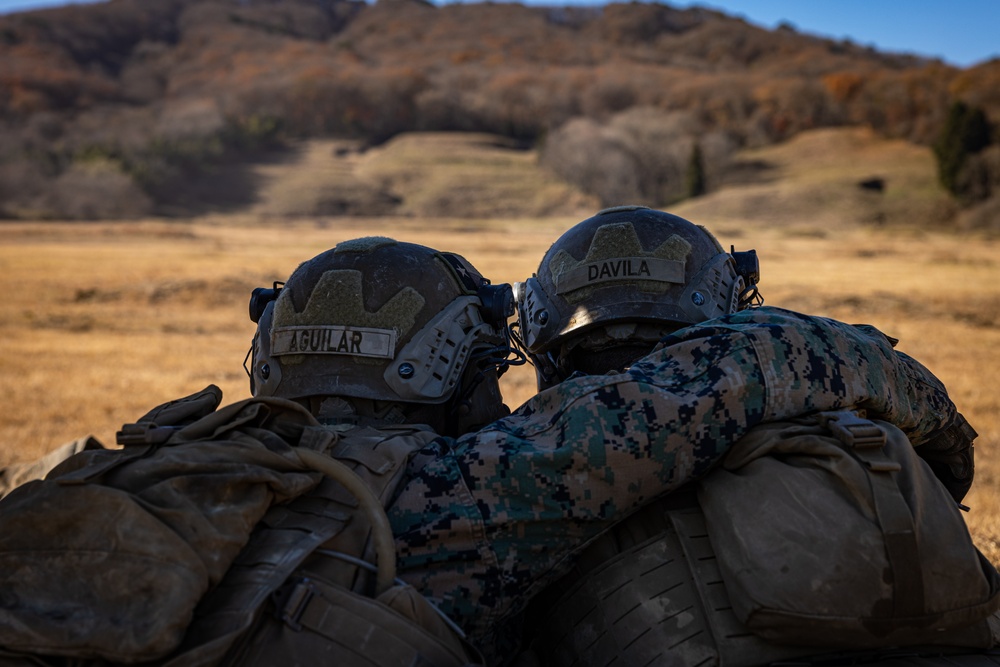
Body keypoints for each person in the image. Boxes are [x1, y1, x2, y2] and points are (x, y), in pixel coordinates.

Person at [0, 226, 984, 667]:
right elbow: (751, 365)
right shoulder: (459, 493)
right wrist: (946, 455)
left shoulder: (144, 467)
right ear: (453, 370)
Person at [507, 205, 991, 666]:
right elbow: (950, 453)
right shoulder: (819, 354)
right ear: (727, 298)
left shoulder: (535, 449)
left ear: (545, 338)